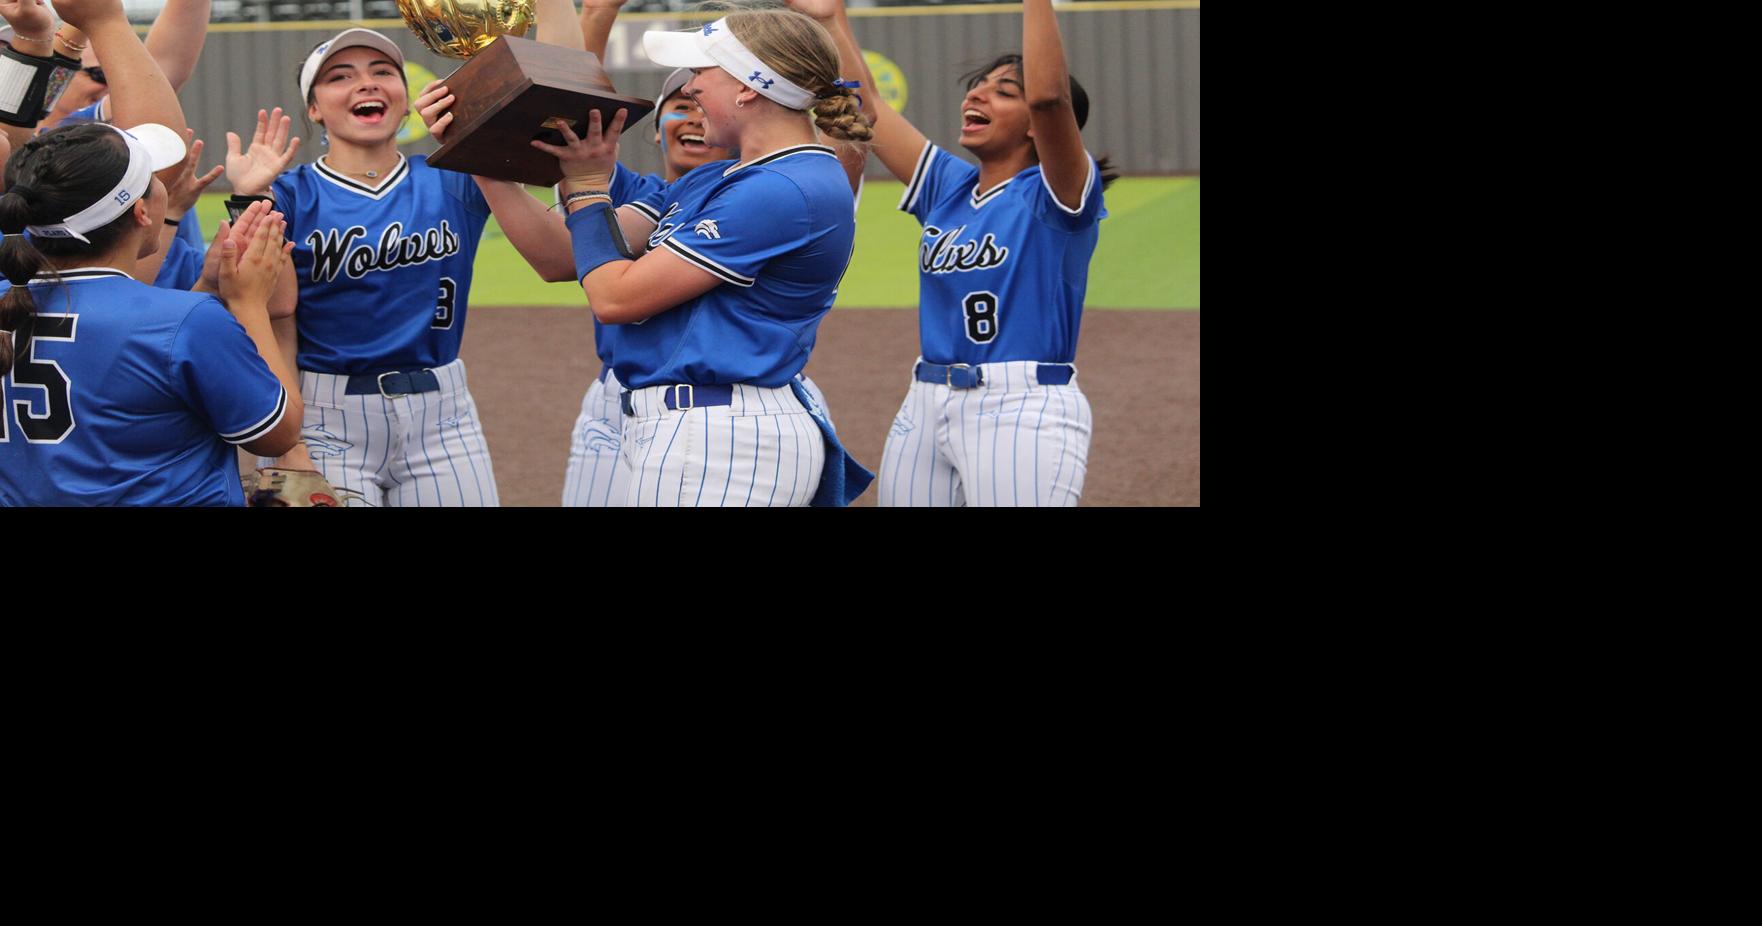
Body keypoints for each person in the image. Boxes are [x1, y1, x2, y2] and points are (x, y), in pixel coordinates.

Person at [532, 7, 873, 506]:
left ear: (748, 87)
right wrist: (482, 159)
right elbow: (569, 255)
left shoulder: (782, 186)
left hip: (720, 439)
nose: (690, 88)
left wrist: (587, 188)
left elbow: (615, 298)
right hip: (707, 429)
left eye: (700, 72)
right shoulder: (727, 176)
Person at [800, 0, 1115, 506]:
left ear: (1035, 125)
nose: (978, 93)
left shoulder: (1056, 195)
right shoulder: (949, 187)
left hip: (1021, 407)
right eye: (978, 85)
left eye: (1004, 91)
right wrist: (828, 18)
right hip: (925, 399)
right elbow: (868, 107)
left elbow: (1050, 98)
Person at [227, 27, 558, 506]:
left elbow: (556, 254)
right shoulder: (291, 193)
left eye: (383, 72)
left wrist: (473, 134)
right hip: (324, 418)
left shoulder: (453, 175)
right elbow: (268, 316)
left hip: (443, 417)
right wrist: (252, 198)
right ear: (314, 109)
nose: (366, 83)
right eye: (341, 76)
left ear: (405, 101)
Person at [0, 123, 301, 505]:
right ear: (141, 212)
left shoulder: (10, 298)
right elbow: (279, 433)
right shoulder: (188, 322)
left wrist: (207, 287)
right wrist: (248, 303)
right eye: (155, 179)